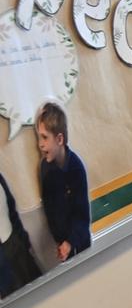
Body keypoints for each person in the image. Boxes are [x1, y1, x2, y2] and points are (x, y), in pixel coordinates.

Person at [34, 101, 90, 262]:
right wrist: (60, 241)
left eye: (45, 137)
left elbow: (82, 216)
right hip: (62, 244)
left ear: (59, 139)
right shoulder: (45, 166)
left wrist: (70, 242)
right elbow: (49, 207)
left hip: (78, 242)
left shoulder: (76, 168)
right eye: (39, 137)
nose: (40, 144)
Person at [0, 166, 41, 295]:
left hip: (16, 243)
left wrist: (24, 241)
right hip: (2, 265)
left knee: (39, 289)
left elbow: (12, 209)